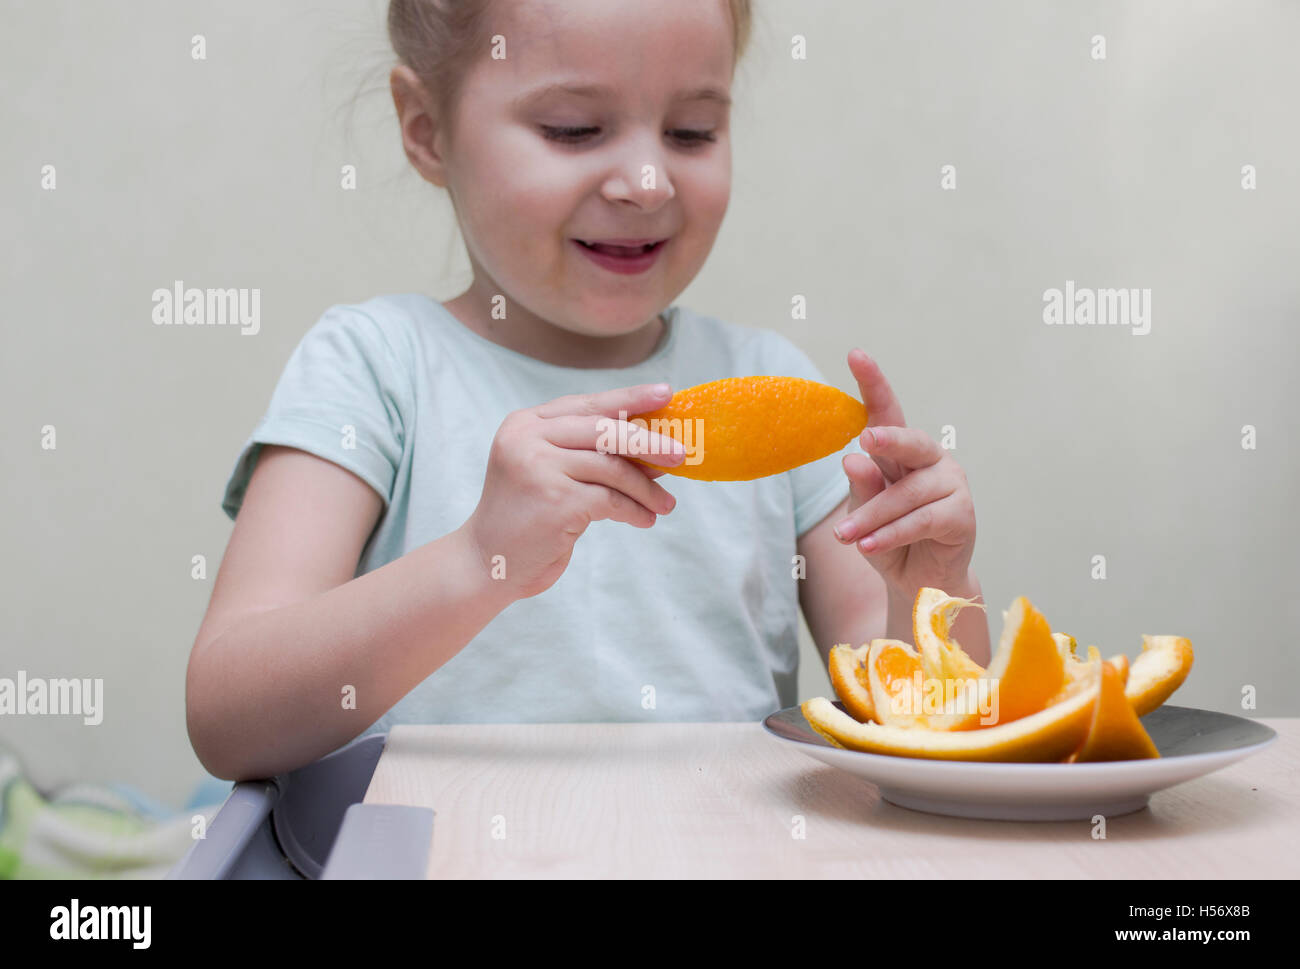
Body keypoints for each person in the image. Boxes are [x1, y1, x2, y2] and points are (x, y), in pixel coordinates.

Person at [186, 0, 987, 782]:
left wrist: (934, 590)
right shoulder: (374, 368)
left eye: (691, 132)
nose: (646, 183)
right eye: (572, 128)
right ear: (426, 128)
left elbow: (927, 722)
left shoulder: (774, 394)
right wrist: (476, 561)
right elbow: (229, 715)